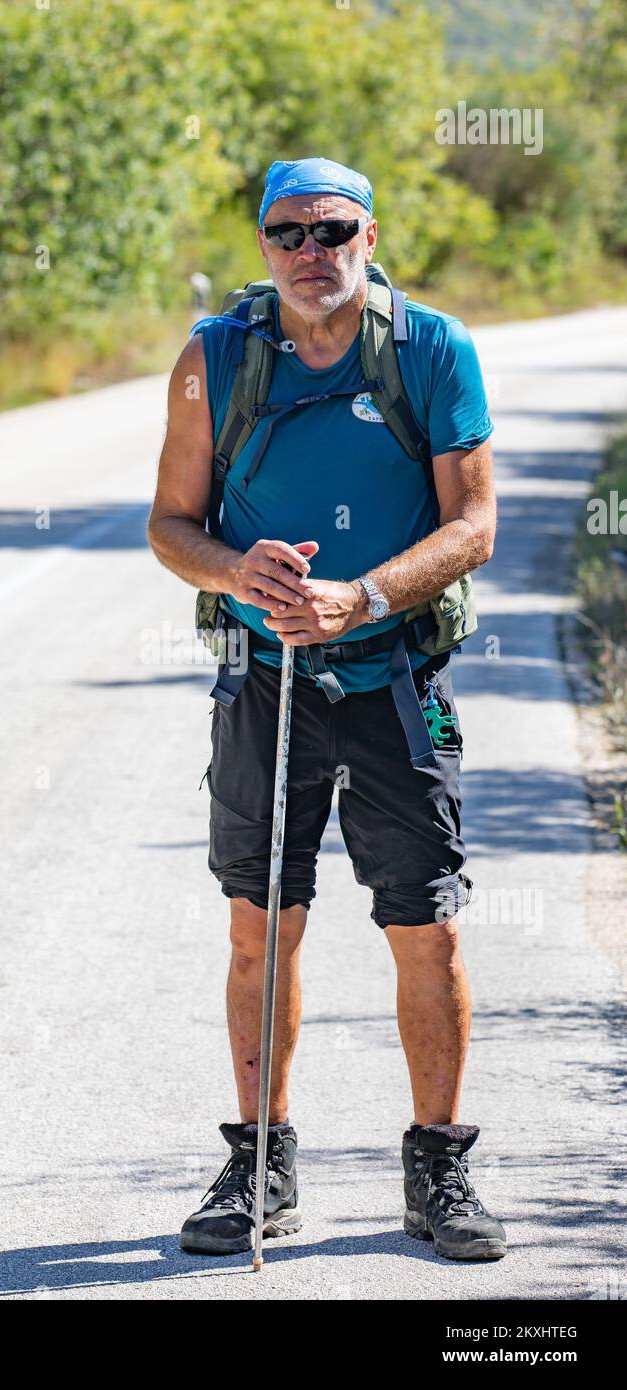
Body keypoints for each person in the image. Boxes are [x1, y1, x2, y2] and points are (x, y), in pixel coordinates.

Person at [147, 157, 506, 1262]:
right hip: (265, 683)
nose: (311, 251)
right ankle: (259, 1164)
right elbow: (169, 524)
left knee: (426, 925)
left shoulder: (430, 350)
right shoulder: (216, 359)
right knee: (260, 925)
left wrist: (363, 593)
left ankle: (437, 1170)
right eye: (288, 233)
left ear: (368, 232)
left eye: (332, 229)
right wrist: (230, 570)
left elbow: (474, 524)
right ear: (263, 245)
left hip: (396, 677)